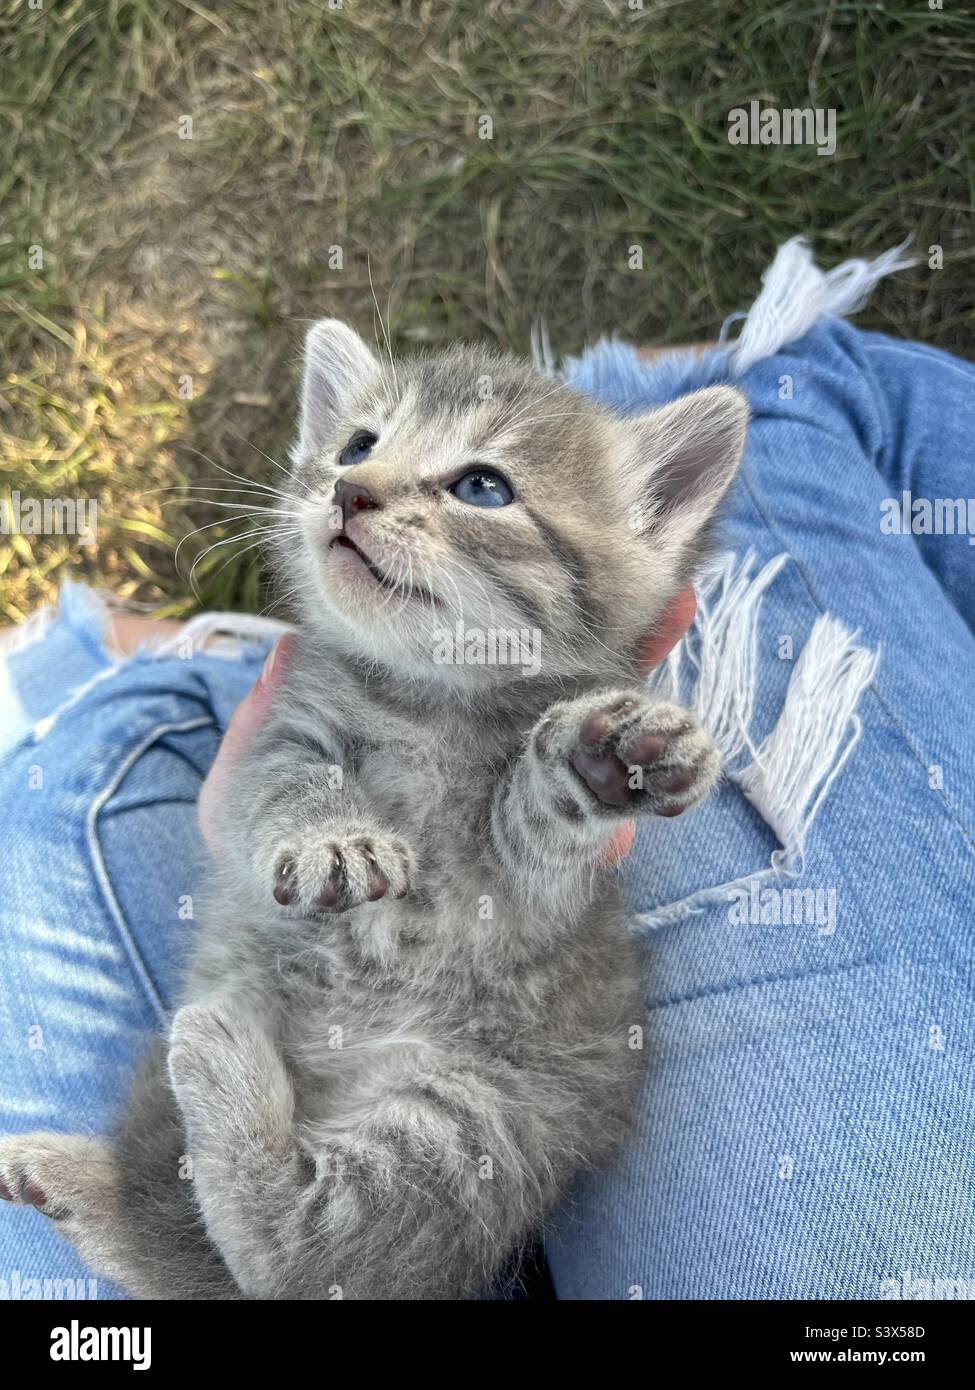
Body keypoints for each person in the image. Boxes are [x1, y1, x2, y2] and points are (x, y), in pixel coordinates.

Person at [2, 243, 973, 1301]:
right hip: (377, 1003)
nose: (361, 484)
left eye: (479, 484)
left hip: (483, 1053)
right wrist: (329, 816)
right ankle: (123, 676)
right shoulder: (335, 683)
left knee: (70, 813)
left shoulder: (535, 697)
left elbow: (525, 880)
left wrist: (554, 789)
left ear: (650, 520)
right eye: (358, 445)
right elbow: (343, 807)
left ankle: (111, 680)